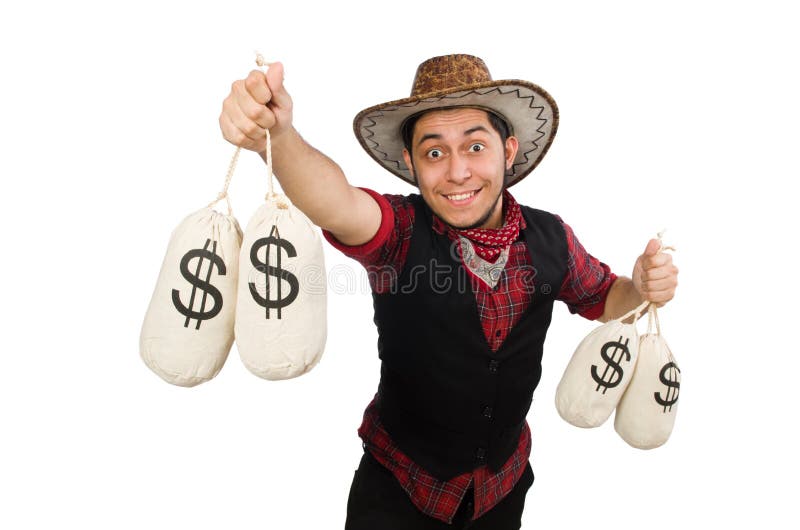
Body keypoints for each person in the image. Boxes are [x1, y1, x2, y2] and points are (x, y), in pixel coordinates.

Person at [219, 54, 679, 529]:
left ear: (509, 150)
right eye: (434, 152)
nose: (458, 172)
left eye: (475, 146)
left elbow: (607, 300)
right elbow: (336, 202)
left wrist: (640, 287)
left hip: (502, 489)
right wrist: (280, 137)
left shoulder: (552, 238)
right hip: (399, 490)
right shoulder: (398, 231)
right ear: (410, 163)